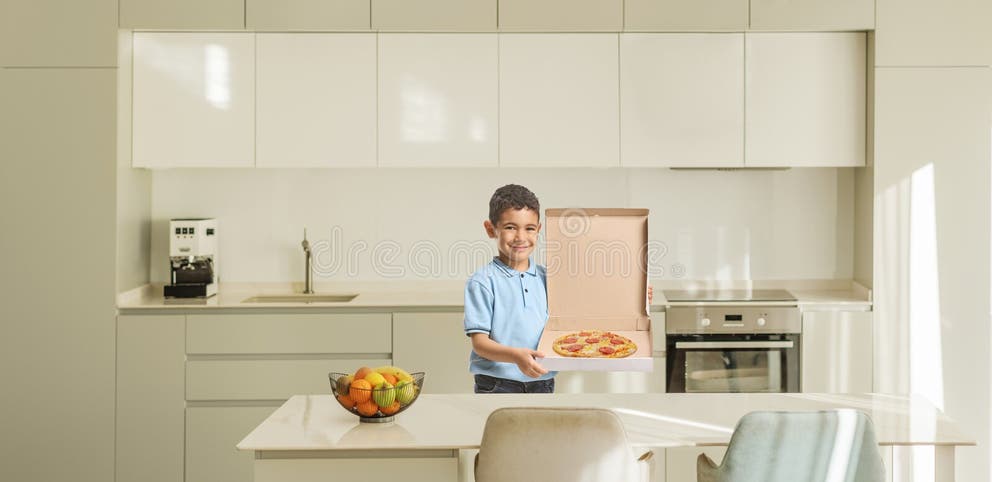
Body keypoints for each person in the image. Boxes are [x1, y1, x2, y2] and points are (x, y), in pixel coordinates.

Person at [463, 184, 651, 394]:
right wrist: (516, 356)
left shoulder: (550, 278)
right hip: (497, 382)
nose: (520, 237)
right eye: (510, 227)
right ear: (491, 229)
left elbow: (586, 307)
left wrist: (635, 297)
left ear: (539, 230)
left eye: (529, 228)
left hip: (542, 380)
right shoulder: (482, 281)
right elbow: (480, 344)